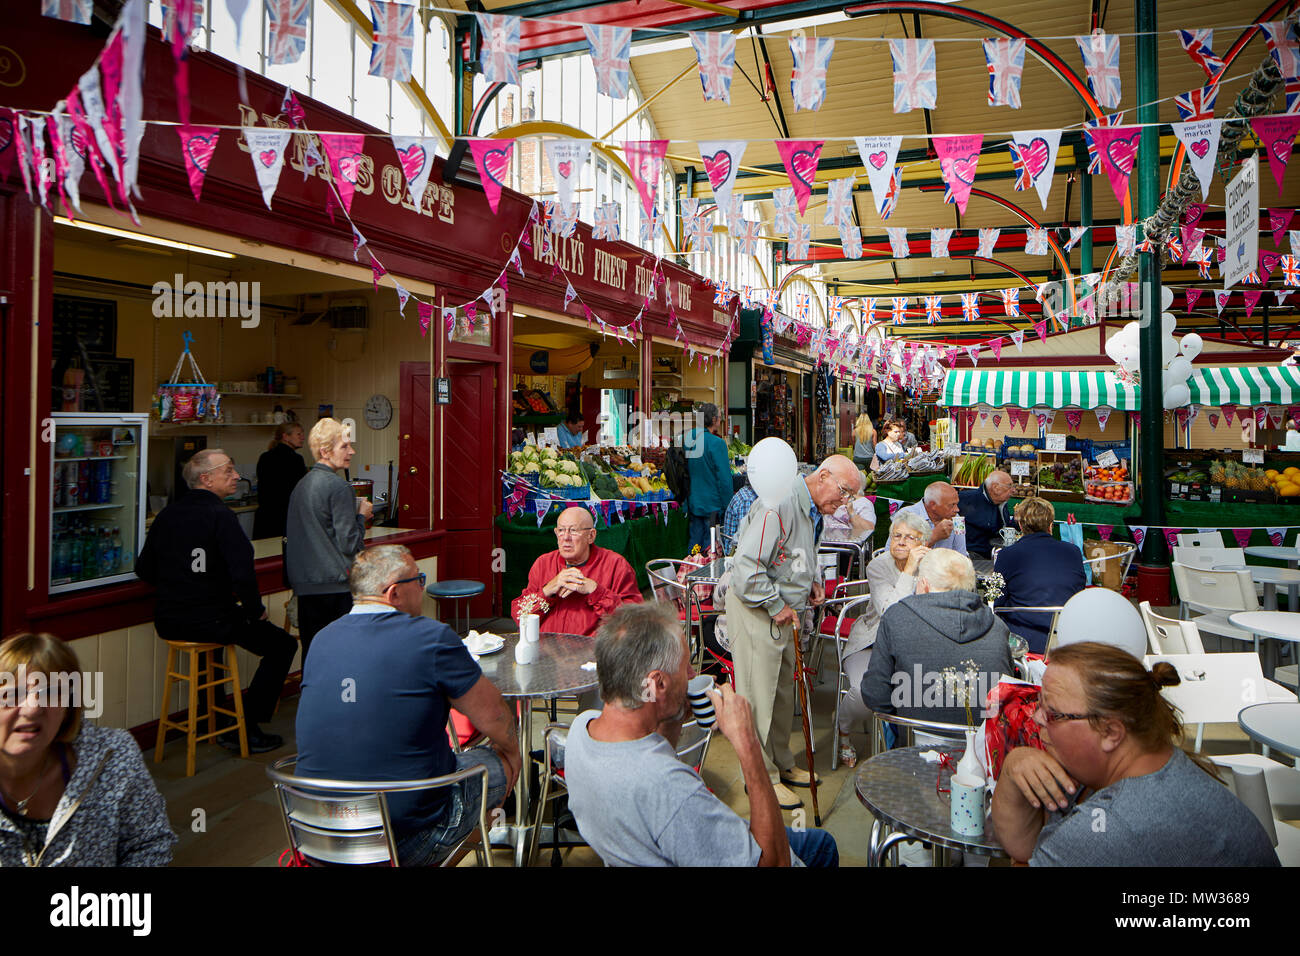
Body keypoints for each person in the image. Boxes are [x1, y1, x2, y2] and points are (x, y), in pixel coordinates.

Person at [294, 546, 521, 866]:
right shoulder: (431, 637)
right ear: (394, 593)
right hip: (399, 840)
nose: (423, 588)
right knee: (494, 762)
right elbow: (494, 715)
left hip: (316, 835)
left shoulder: (322, 639)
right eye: (419, 580)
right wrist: (514, 753)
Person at [562, 603, 838, 866]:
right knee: (823, 846)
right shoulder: (673, 792)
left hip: (643, 844)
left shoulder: (581, 729)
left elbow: (655, 759)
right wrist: (748, 742)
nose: (694, 674)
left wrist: (672, 713)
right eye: (686, 667)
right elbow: (774, 862)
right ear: (658, 683)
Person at [992, 642, 1280, 866]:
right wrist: (1014, 765)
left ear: (1111, 733)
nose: (1038, 718)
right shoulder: (1152, 764)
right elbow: (1025, 845)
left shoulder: (1110, 825)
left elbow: (1030, 855)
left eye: (1053, 713)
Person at [136, 448, 296, 752]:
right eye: (229, 471)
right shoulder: (220, 515)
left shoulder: (167, 514)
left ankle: (213, 722)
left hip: (170, 620)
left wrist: (181, 582)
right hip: (211, 620)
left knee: (217, 646)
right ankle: (244, 727)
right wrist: (256, 611)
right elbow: (242, 574)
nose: (236, 476)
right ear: (206, 479)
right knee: (283, 645)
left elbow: (144, 569)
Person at [727, 453, 863, 809]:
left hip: (785, 613)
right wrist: (777, 605)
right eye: (845, 491)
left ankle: (782, 762)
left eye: (851, 496)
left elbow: (798, 554)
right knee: (759, 697)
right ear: (823, 477)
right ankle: (761, 779)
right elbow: (747, 572)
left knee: (783, 692)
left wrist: (812, 582)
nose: (845, 502)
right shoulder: (778, 505)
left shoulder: (813, 509)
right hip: (760, 610)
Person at [0, 633, 176, 866]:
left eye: (50, 693)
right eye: (12, 694)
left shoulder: (114, 756)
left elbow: (150, 844)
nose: (32, 708)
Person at [861, 549, 1013, 727]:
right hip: (983, 745)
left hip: (914, 744)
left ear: (924, 584)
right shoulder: (997, 626)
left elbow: (875, 694)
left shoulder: (897, 618)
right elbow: (1007, 695)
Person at [835, 510, 931, 767]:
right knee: (864, 691)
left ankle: (910, 748)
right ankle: (843, 730)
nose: (900, 541)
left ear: (922, 544)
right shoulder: (878, 565)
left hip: (914, 647)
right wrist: (910, 570)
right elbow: (890, 612)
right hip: (871, 642)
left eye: (909, 538)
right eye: (896, 535)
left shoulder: (932, 566)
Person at [286, 418, 373, 665]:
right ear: (325, 451)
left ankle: (312, 702)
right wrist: (361, 516)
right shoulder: (338, 487)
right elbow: (350, 544)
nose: (352, 452)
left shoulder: (301, 485)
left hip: (305, 586)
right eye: (345, 446)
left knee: (314, 655)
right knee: (342, 657)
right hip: (335, 587)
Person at [511, 505, 642, 636]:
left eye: (573, 531)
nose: (566, 538)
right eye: (561, 530)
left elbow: (634, 621)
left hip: (593, 652)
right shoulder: (543, 564)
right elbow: (520, 615)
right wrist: (547, 590)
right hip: (546, 650)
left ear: (591, 536)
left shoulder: (616, 565)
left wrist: (596, 591)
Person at [993, 497, 1088, 655]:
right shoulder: (1073, 552)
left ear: (1021, 526)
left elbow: (997, 600)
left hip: (1022, 639)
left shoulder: (1007, 554)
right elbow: (1078, 590)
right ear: (1051, 525)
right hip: (1064, 637)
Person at [684, 403, 733, 553]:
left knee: (694, 547)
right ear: (714, 420)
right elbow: (724, 479)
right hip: (712, 506)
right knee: (710, 550)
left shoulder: (689, 438)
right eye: (719, 417)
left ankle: (688, 572)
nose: (720, 419)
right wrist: (728, 505)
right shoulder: (717, 444)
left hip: (693, 503)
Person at [252, 422, 307, 540]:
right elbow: (300, 490)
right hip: (285, 518)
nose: (303, 437)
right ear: (285, 437)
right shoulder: (295, 460)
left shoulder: (265, 457)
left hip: (265, 518)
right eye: (299, 434)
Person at [896, 481, 967, 554]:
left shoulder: (956, 518)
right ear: (933, 505)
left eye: (956, 504)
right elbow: (898, 556)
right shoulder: (906, 515)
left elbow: (961, 554)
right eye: (951, 505)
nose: (957, 509)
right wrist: (933, 537)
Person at [958, 470, 1014, 560]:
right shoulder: (966, 500)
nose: (1013, 490)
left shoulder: (1002, 503)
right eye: (1009, 486)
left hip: (995, 551)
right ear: (995, 487)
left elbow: (1005, 528)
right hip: (974, 555)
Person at [721, 479, 758, 554]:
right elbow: (746, 536)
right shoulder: (748, 500)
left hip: (737, 546)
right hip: (735, 552)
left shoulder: (747, 492)